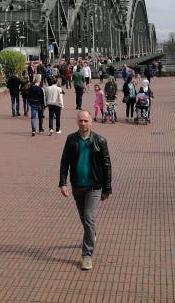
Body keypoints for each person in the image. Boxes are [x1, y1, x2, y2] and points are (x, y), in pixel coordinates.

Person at [59, 110, 112, 271]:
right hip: (77, 186)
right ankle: (92, 235)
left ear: (91, 122)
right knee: (84, 218)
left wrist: (107, 188)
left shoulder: (100, 141)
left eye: (85, 121)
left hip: (94, 187)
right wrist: (63, 183)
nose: (83, 123)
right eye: (80, 121)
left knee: (89, 218)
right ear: (77, 122)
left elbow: (107, 165)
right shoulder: (71, 140)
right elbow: (64, 162)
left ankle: (86, 255)